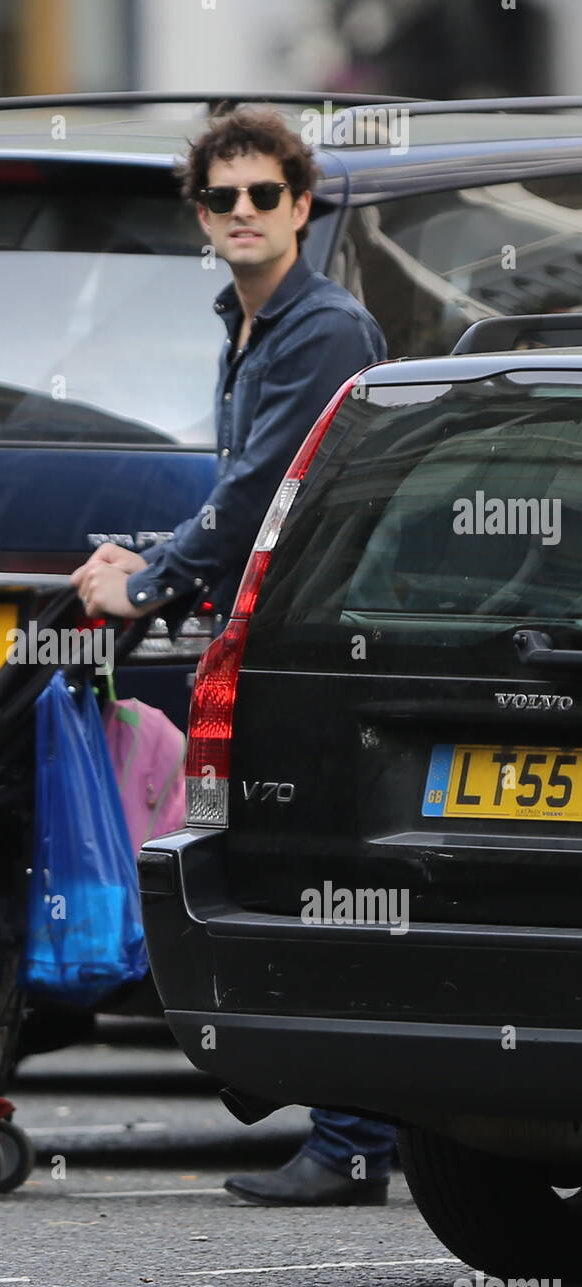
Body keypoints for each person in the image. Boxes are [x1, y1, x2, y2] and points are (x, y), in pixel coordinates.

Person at [72, 102, 397, 1206]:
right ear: (201, 215)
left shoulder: (323, 330)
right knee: (264, 870)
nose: (244, 211)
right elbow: (236, 497)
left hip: (321, 646)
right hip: (268, 641)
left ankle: (353, 1136)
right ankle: (309, 1098)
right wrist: (148, 553)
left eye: (266, 194)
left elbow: (264, 493)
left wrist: (152, 577)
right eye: (223, 197)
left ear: (302, 208)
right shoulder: (248, 322)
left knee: (318, 876)